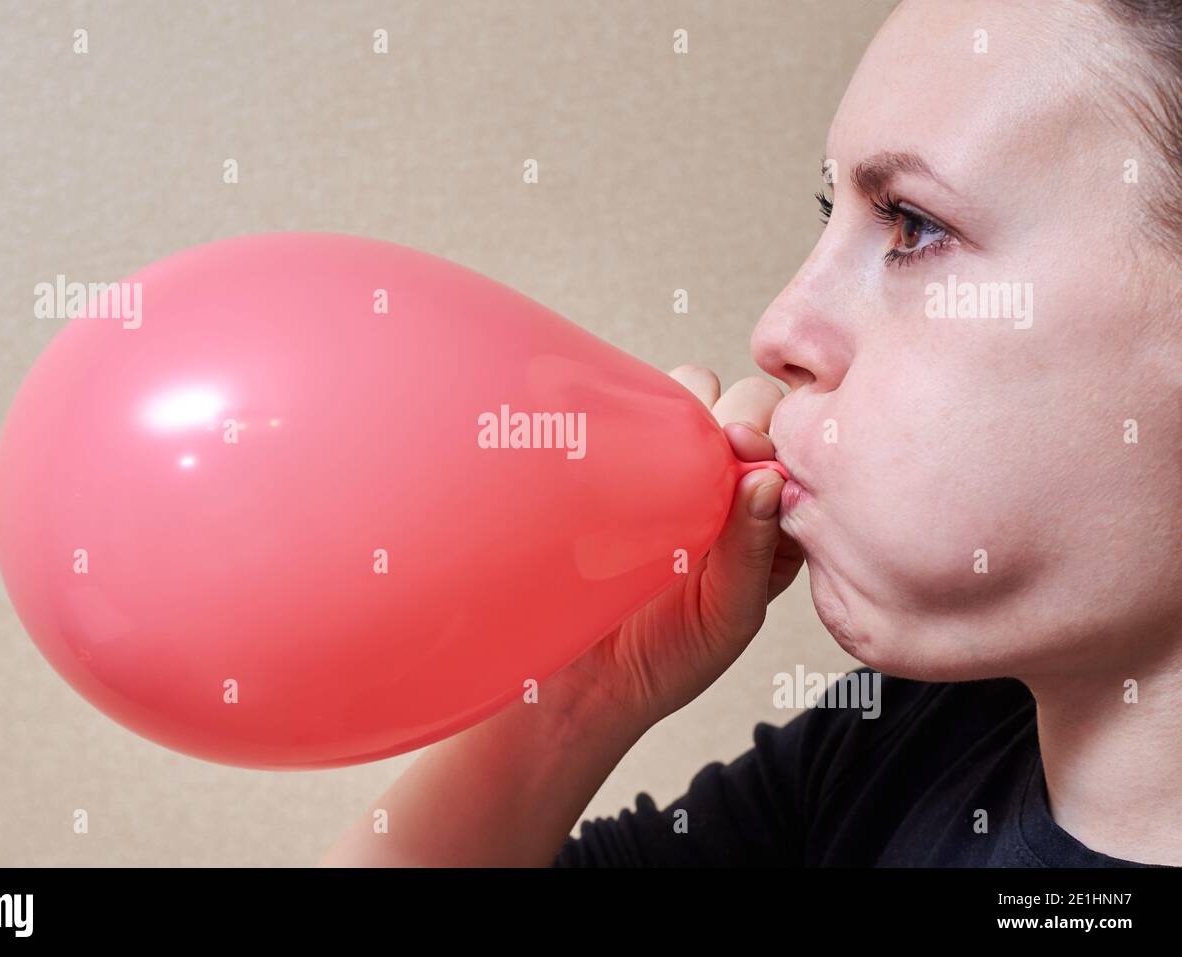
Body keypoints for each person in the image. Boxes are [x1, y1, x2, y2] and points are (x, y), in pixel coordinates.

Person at [320, 0, 1182, 867]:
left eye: (913, 225)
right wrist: (588, 688)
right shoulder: (890, 750)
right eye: (828, 211)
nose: (777, 329)